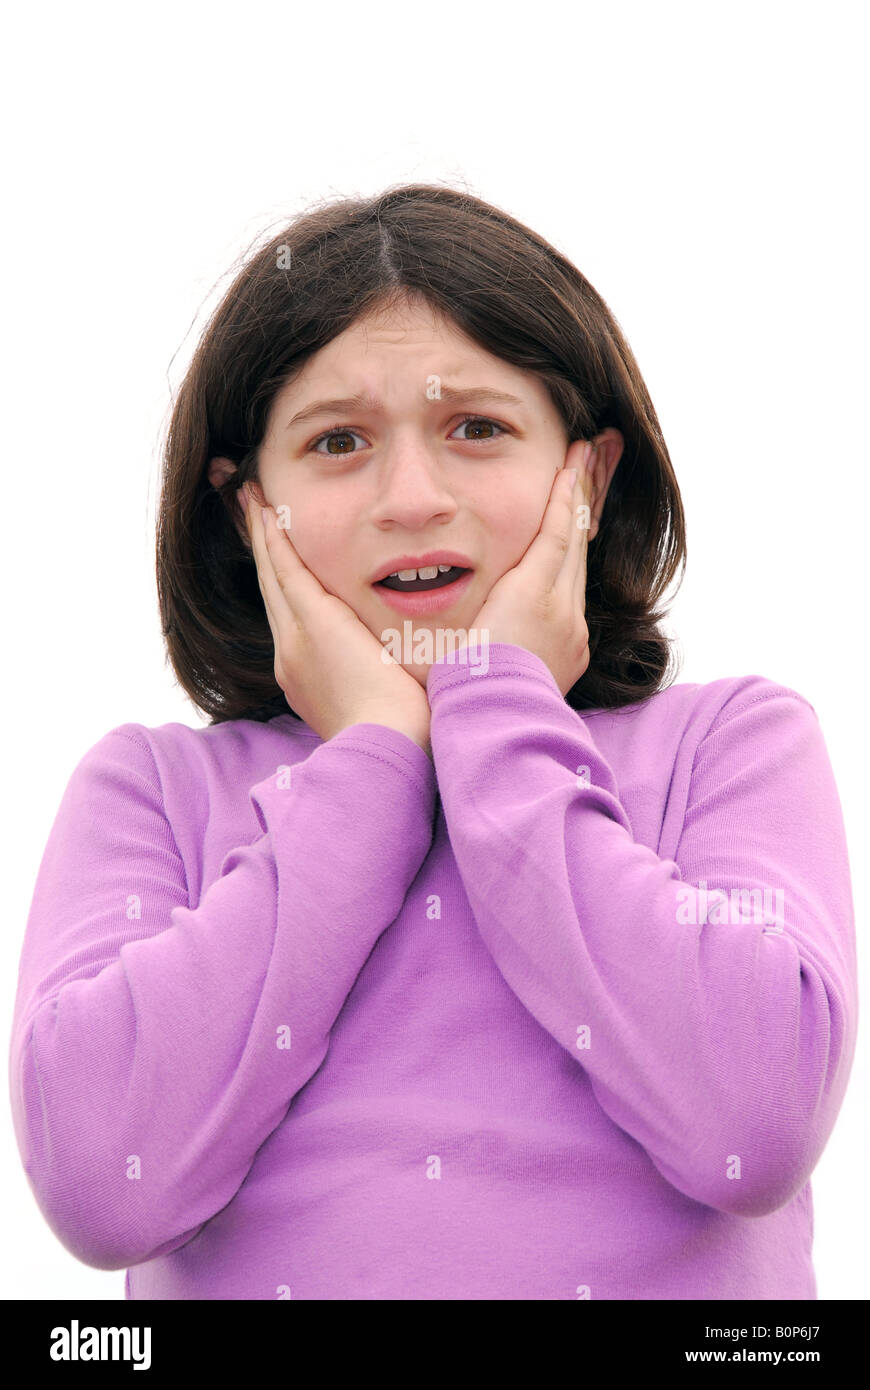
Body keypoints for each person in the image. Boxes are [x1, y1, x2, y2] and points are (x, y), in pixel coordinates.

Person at [9, 183, 857, 1300]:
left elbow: (755, 1121)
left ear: (589, 478)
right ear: (246, 509)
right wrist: (373, 760)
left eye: (477, 428)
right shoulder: (151, 790)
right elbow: (100, 1185)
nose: (411, 498)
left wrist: (493, 709)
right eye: (338, 441)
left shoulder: (732, 745)